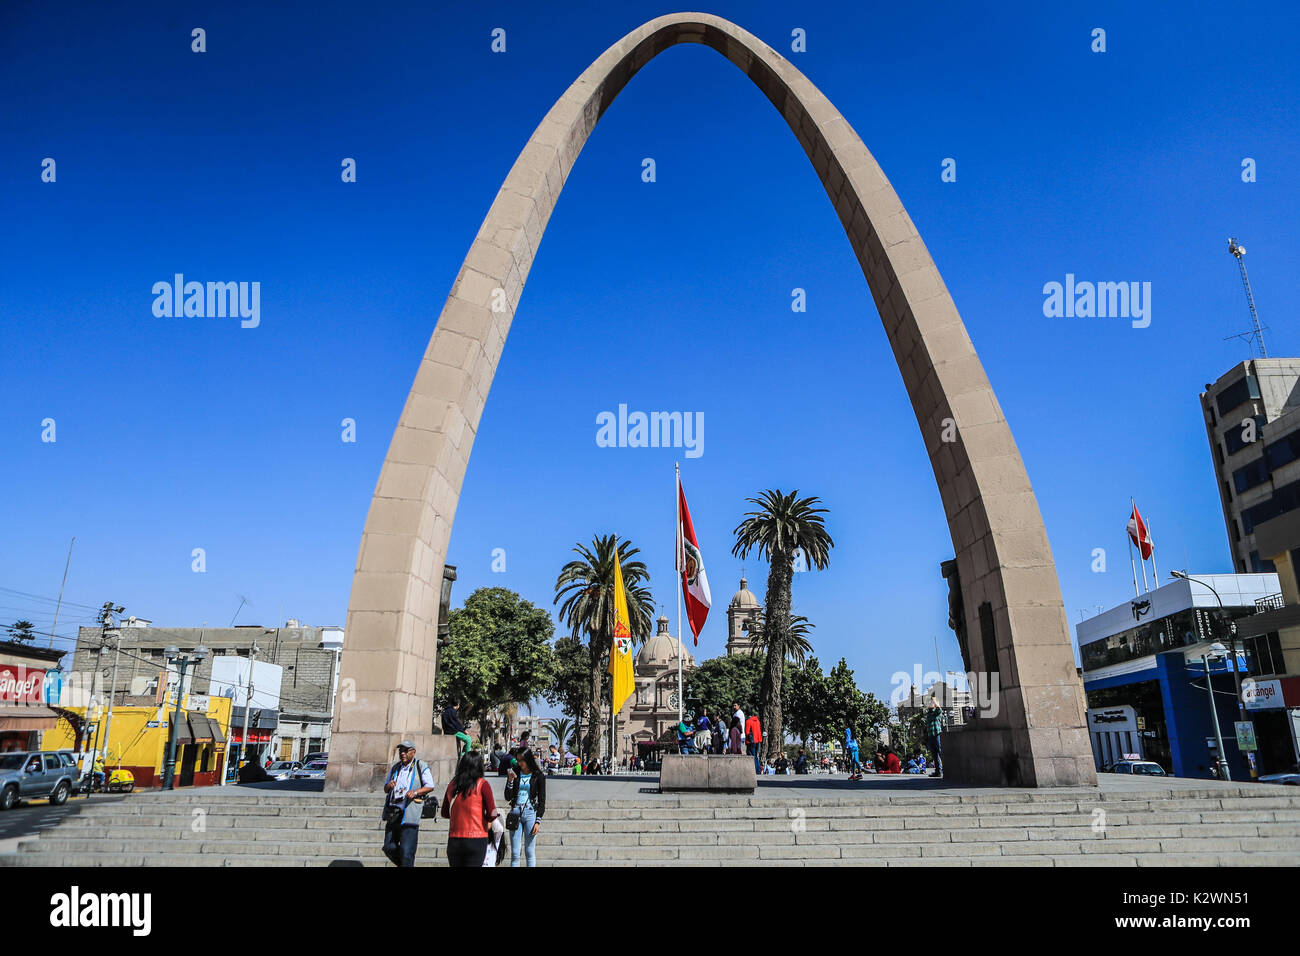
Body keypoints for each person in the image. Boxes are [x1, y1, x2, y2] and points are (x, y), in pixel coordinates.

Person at [382, 740, 436, 867]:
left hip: (410, 815)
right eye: (401, 751)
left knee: (407, 852)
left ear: (413, 752)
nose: (402, 754)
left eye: (406, 751)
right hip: (394, 814)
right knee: (388, 847)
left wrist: (416, 792)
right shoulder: (396, 767)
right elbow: (385, 788)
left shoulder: (420, 766)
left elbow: (430, 786)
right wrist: (388, 785)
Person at [441, 751, 496, 867]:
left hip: (455, 839)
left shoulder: (452, 785)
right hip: (477, 838)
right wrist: (487, 819)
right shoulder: (483, 785)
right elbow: (493, 812)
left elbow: (445, 812)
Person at [504, 747, 546, 867]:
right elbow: (507, 796)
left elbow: (542, 800)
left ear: (528, 759)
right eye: (518, 760)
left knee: (529, 851)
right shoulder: (514, 771)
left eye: (522, 760)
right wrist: (510, 781)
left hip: (530, 812)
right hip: (515, 811)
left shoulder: (538, 775)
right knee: (515, 853)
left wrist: (538, 821)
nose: (520, 763)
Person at [925, 697, 946, 777]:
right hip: (930, 736)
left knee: (940, 752)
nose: (929, 704)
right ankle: (938, 771)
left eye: (931, 703)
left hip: (937, 735)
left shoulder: (936, 712)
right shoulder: (928, 713)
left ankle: (947, 769)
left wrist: (935, 701)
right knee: (934, 755)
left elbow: (939, 709)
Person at [744, 710, 763, 775]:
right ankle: (758, 770)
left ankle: (756, 770)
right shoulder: (757, 721)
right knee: (756, 756)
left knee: (752, 756)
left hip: (751, 741)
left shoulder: (748, 721)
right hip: (758, 740)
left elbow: (747, 732)